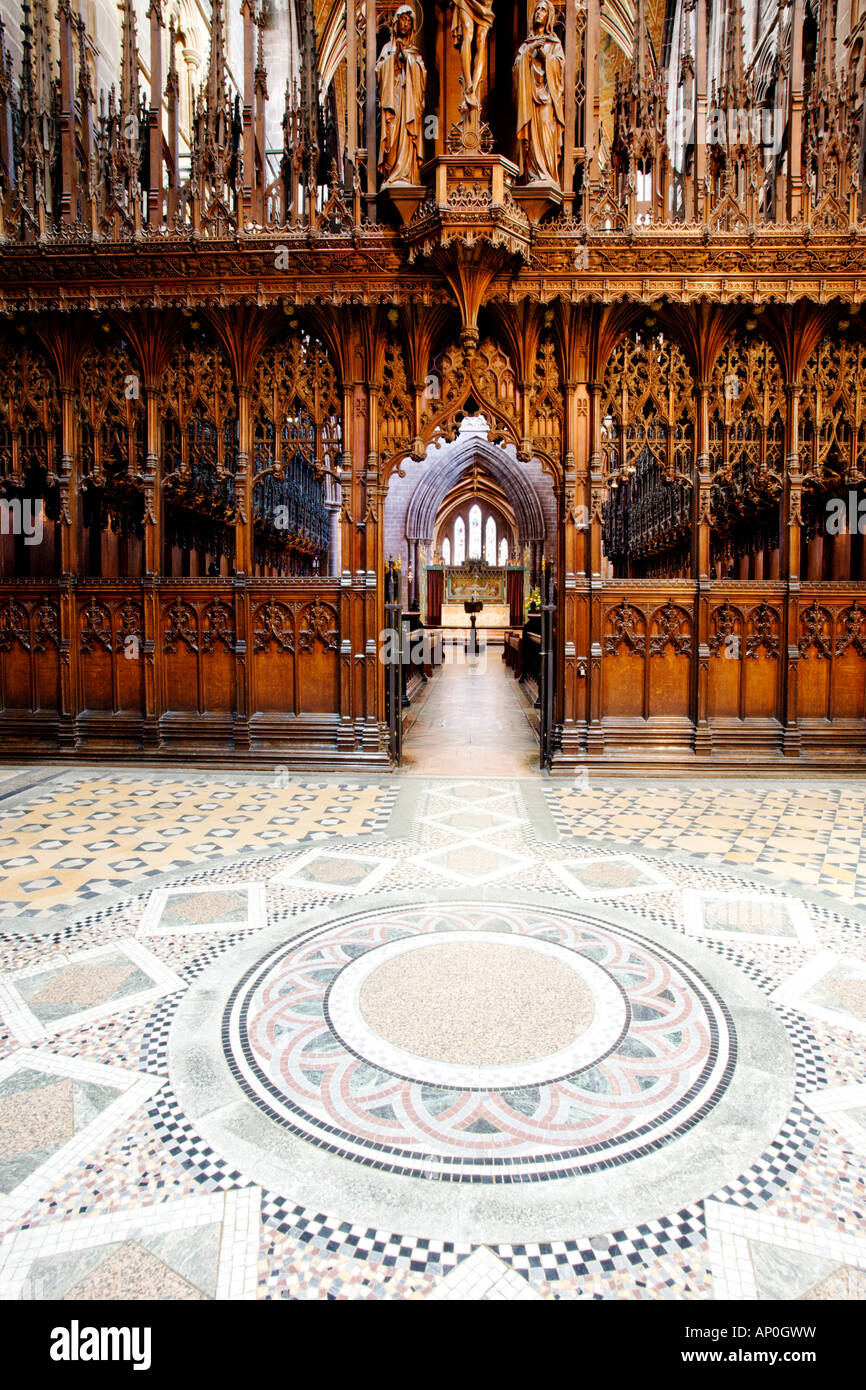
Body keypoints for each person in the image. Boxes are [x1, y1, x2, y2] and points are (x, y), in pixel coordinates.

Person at [513, 0, 565, 186]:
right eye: (537, 9)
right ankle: (534, 175)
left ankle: (546, 174)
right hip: (530, 100)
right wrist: (528, 52)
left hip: (547, 99)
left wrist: (546, 58)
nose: (539, 13)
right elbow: (516, 69)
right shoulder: (526, 45)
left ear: (549, 16)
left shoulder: (554, 44)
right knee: (533, 140)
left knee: (545, 130)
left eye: (543, 10)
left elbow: (560, 68)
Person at [376, 5, 427, 187]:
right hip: (393, 102)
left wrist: (407, 59)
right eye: (402, 20)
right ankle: (393, 173)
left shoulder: (415, 53)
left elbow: (422, 76)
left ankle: (406, 174)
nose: (405, 24)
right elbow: (379, 72)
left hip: (409, 104)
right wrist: (393, 58)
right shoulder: (386, 49)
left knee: (407, 135)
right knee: (392, 137)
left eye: (408, 20)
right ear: (396, 23)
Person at [450, 0, 495, 109]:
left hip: (485, 2)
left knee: (481, 39)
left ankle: (473, 90)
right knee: (468, 31)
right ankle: (468, 87)